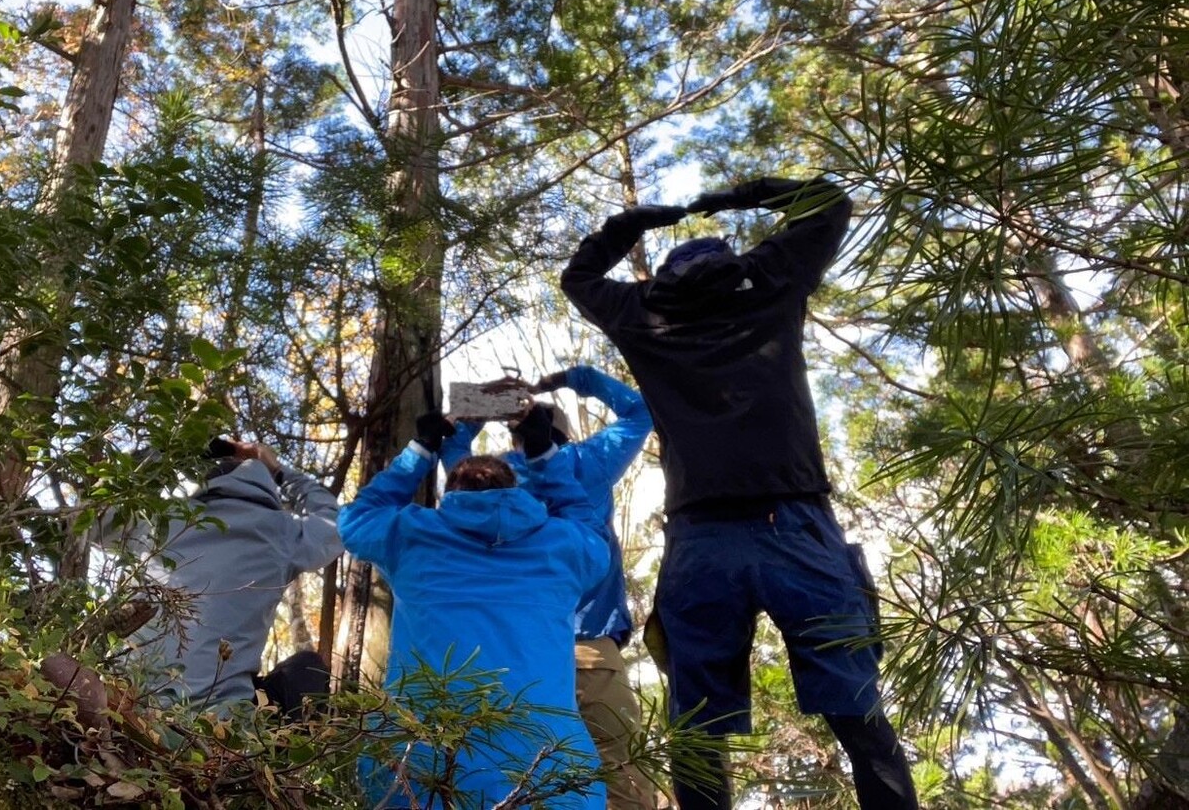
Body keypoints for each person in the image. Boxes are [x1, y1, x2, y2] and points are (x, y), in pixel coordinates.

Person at [560, 176, 919, 810]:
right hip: (797, 525)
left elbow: (579, 279)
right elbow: (828, 202)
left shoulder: (642, 311)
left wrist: (632, 224)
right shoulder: (769, 279)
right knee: (857, 713)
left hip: (701, 541)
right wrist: (738, 196)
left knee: (698, 727)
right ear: (729, 260)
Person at [338, 408, 611, 809]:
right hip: (550, 779)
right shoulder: (564, 546)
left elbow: (355, 520)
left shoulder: (413, 535)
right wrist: (542, 454)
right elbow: (592, 531)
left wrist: (422, 448)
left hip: (417, 773)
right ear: (516, 490)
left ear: (451, 494)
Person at [448, 366, 658, 810]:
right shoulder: (588, 462)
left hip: (510, 654)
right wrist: (570, 378)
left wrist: (482, 403)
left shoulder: (493, 482)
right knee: (620, 775)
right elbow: (641, 412)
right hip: (587, 650)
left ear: (515, 435)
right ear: (559, 432)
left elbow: (452, 455)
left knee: (510, 778)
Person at [103, 436, 343, 715]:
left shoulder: (155, 519)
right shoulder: (285, 534)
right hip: (217, 722)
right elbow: (334, 525)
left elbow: (95, 515)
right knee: (307, 668)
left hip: (120, 702)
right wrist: (279, 472)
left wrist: (176, 446)